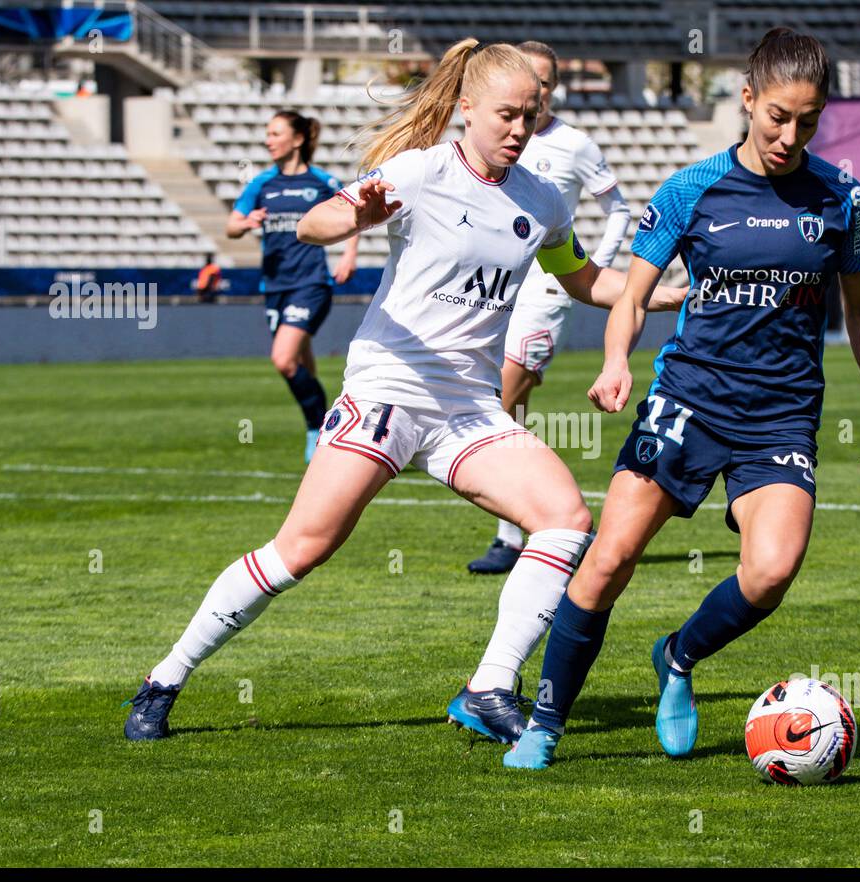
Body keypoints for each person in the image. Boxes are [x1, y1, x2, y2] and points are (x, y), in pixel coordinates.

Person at [122, 38, 685, 744]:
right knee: (301, 548)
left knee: (567, 519)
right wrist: (353, 215)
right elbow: (313, 220)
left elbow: (582, 279)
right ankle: (163, 678)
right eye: (506, 114)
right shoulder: (421, 172)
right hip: (388, 389)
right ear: (466, 108)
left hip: (468, 409)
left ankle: (488, 685)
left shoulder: (540, 199)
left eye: (531, 114)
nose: (519, 129)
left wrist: (660, 293)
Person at [505, 27, 860, 769]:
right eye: (778, 116)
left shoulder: (843, 198)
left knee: (771, 572)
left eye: (809, 121)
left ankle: (678, 657)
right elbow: (630, 296)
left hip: (782, 414)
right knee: (608, 559)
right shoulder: (690, 189)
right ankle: (545, 723)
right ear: (747, 99)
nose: (791, 135)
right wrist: (615, 361)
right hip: (687, 401)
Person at [466, 40, 632, 574]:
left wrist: (591, 270)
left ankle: (511, 531)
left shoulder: (575, 145)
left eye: (538, 82)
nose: (529, 90)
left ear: (551, 88)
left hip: (547, 289)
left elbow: (618, 209)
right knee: (502, 400)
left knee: (509, 390)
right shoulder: (490, 143)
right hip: (499, 285)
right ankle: (530, 522)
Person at [228, 110, 360, 462]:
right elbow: (231, 225)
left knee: (284, 360)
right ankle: (331, 431)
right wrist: (245, 224)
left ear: (297, 139)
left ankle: (319, 426)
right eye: (267, 134)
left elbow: (353, 212)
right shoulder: (261, 184)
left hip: (311, 283)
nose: (268, 140)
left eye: (275, 133)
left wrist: (348, 255)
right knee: (302, 361)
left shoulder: (321, 182)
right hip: (274, 285)